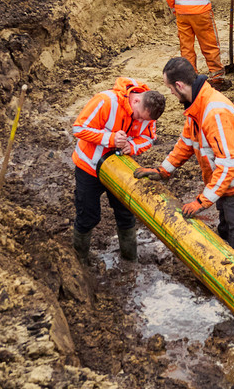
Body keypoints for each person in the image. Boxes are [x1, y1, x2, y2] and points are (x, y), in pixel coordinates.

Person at [133, 57, 234, 268]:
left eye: (171, 89)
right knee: (227, 236)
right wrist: (163, 170)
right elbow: (185, 144)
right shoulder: (196, 108)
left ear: (179, 85)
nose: (172, 94)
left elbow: (228, 164)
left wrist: (202, 201)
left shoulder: (214, 113)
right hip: (225, 189)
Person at [71, 77, 166, 264]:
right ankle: (79, 261)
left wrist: (132, 147)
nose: (140, 120)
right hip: (89, 168)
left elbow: (148, 138)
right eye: (139, 116)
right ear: (136, 100)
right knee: (87, 215)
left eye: (144, 119)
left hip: (119, 168)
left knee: (125, 213)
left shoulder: (149, 112)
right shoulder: (106, 101)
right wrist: (110, 139)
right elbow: (78, 128)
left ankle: (130, 260)